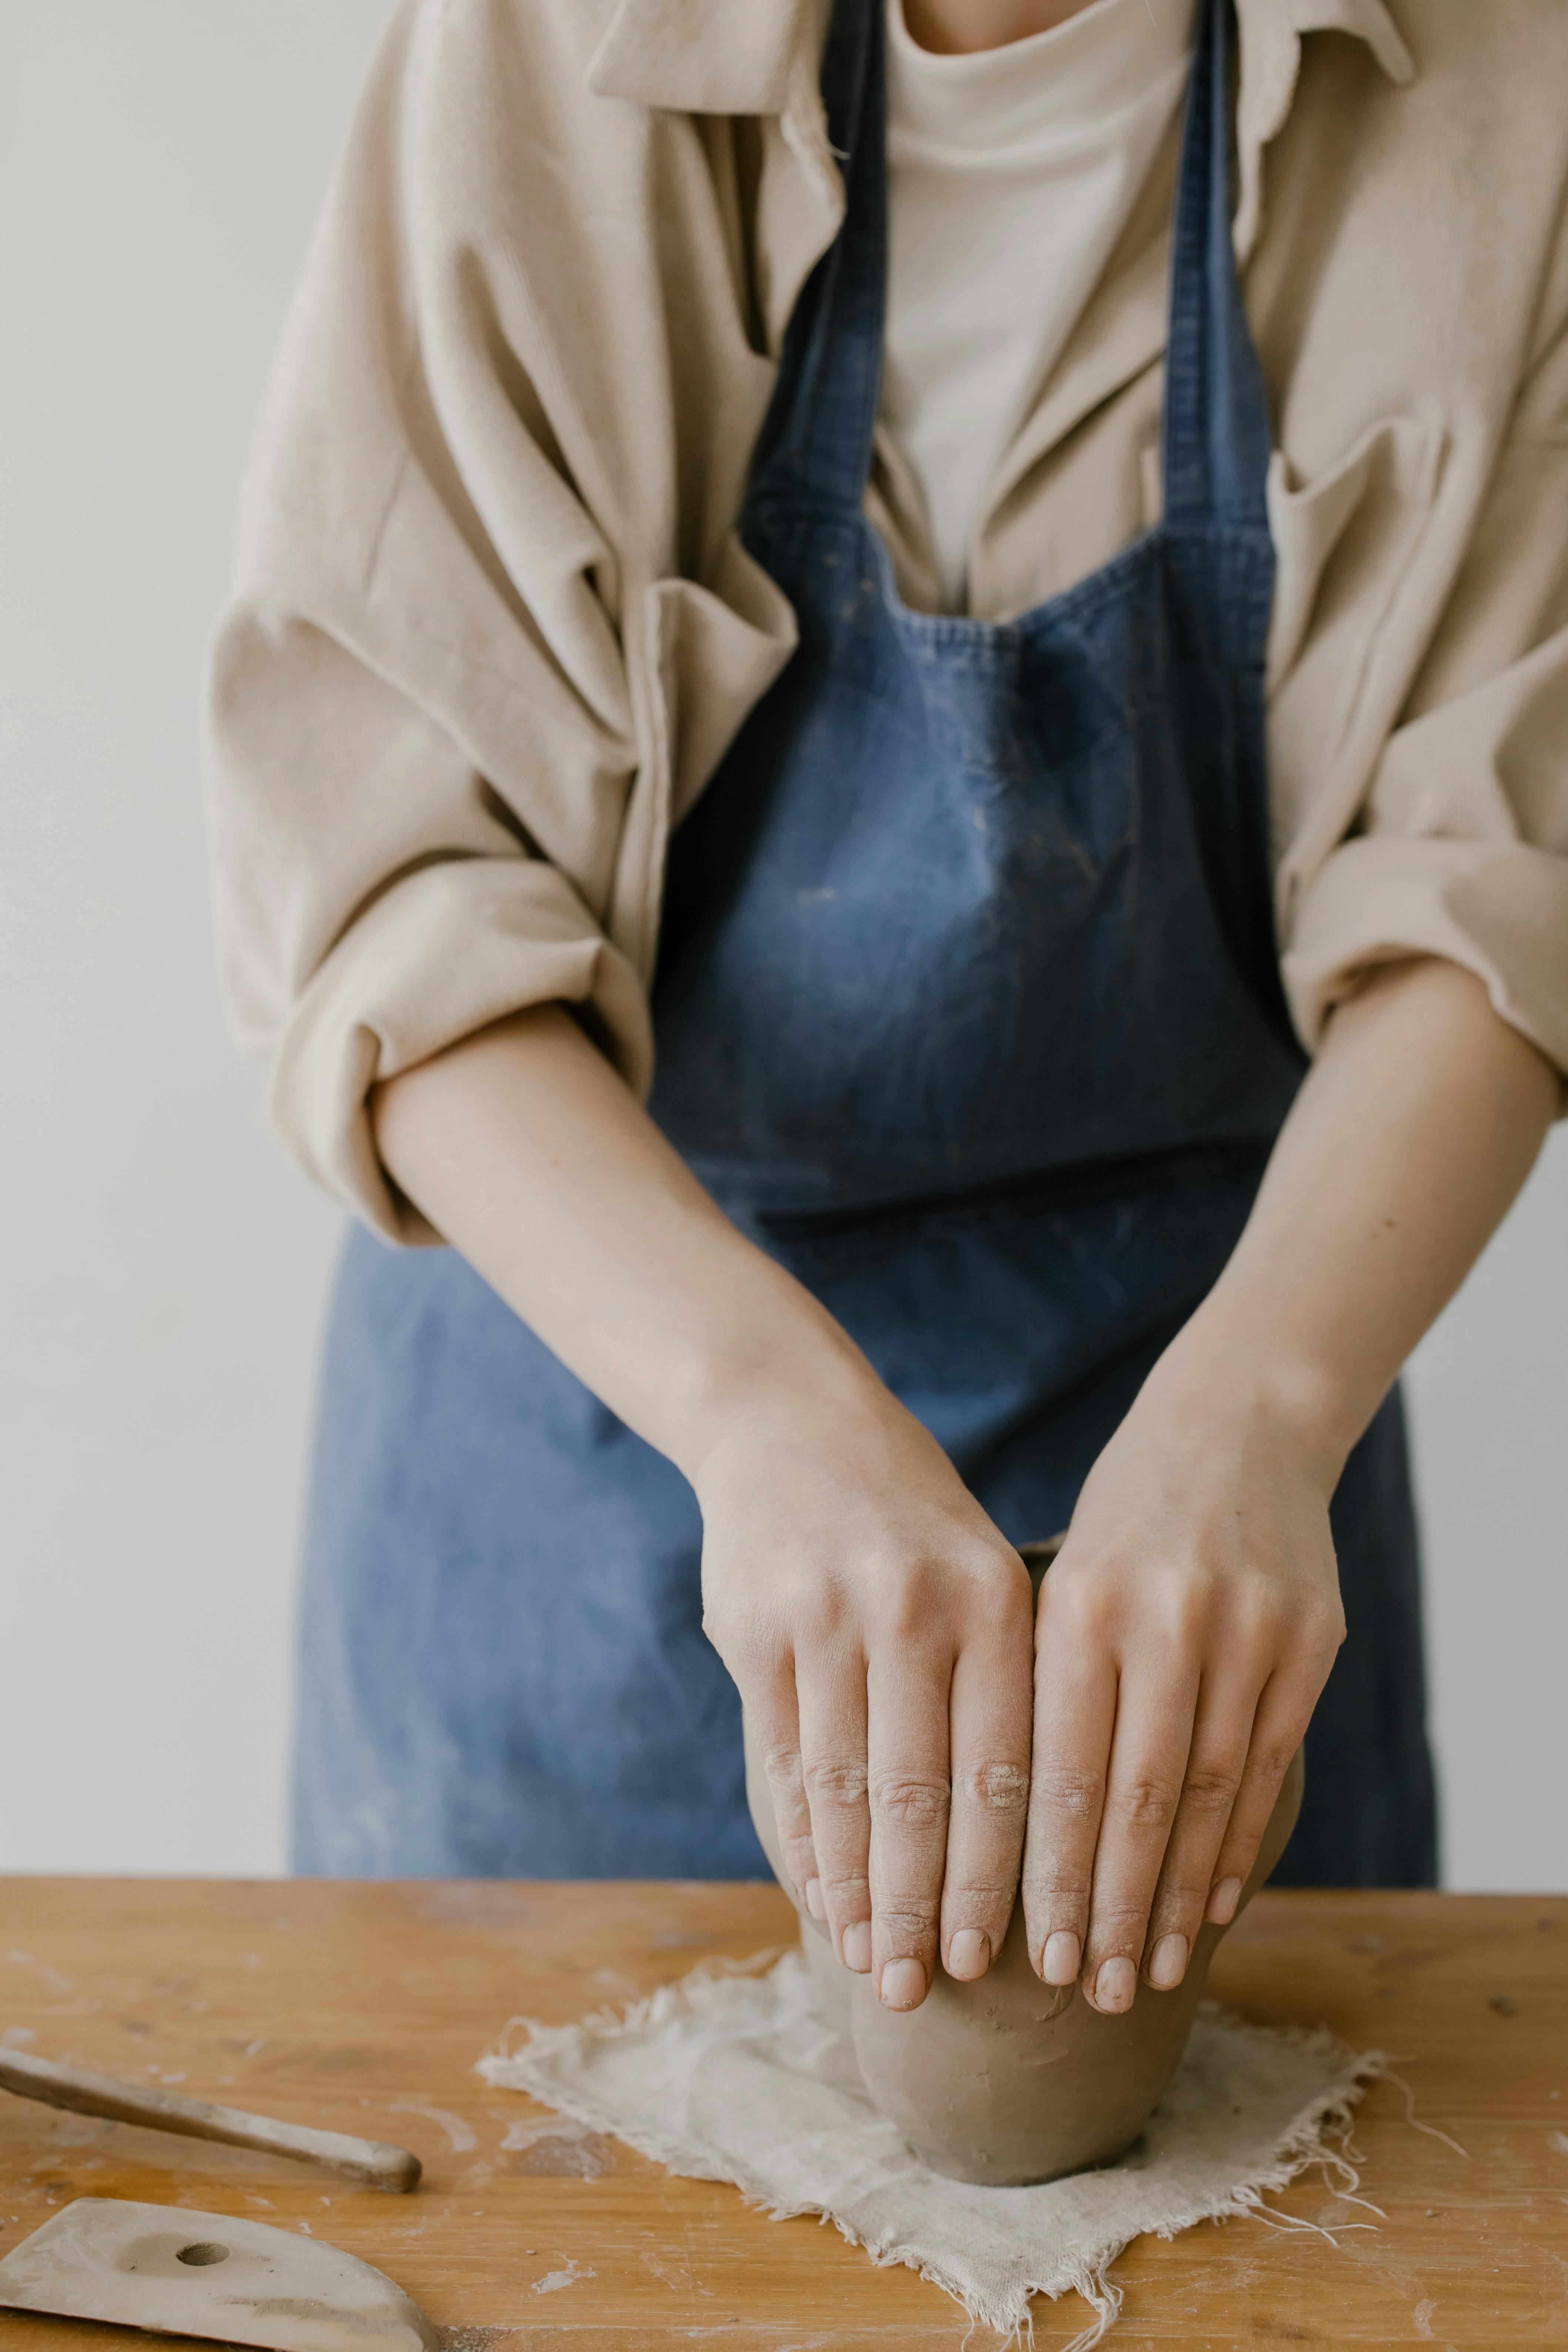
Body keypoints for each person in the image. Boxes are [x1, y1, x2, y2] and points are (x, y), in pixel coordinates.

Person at [207, 0, 1568, 2051]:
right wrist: (763, 1414)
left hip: (1213, 1428)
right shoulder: (547, 43)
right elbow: (396, 880)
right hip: (608, 1457)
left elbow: (1496, 871)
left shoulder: (1494, 67)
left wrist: (1268, 1408)